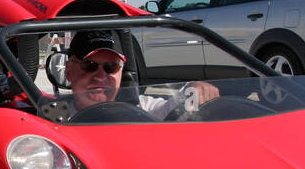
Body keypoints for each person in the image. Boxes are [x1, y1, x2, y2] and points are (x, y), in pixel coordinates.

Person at [65, 29, 218, 119]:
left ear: (121, 73)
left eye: (111, 67)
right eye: (89, 65)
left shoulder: (140, 109)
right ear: (68, 71)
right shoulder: (53, 118)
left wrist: (196, 89)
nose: (100, 76)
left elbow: (175, 106)